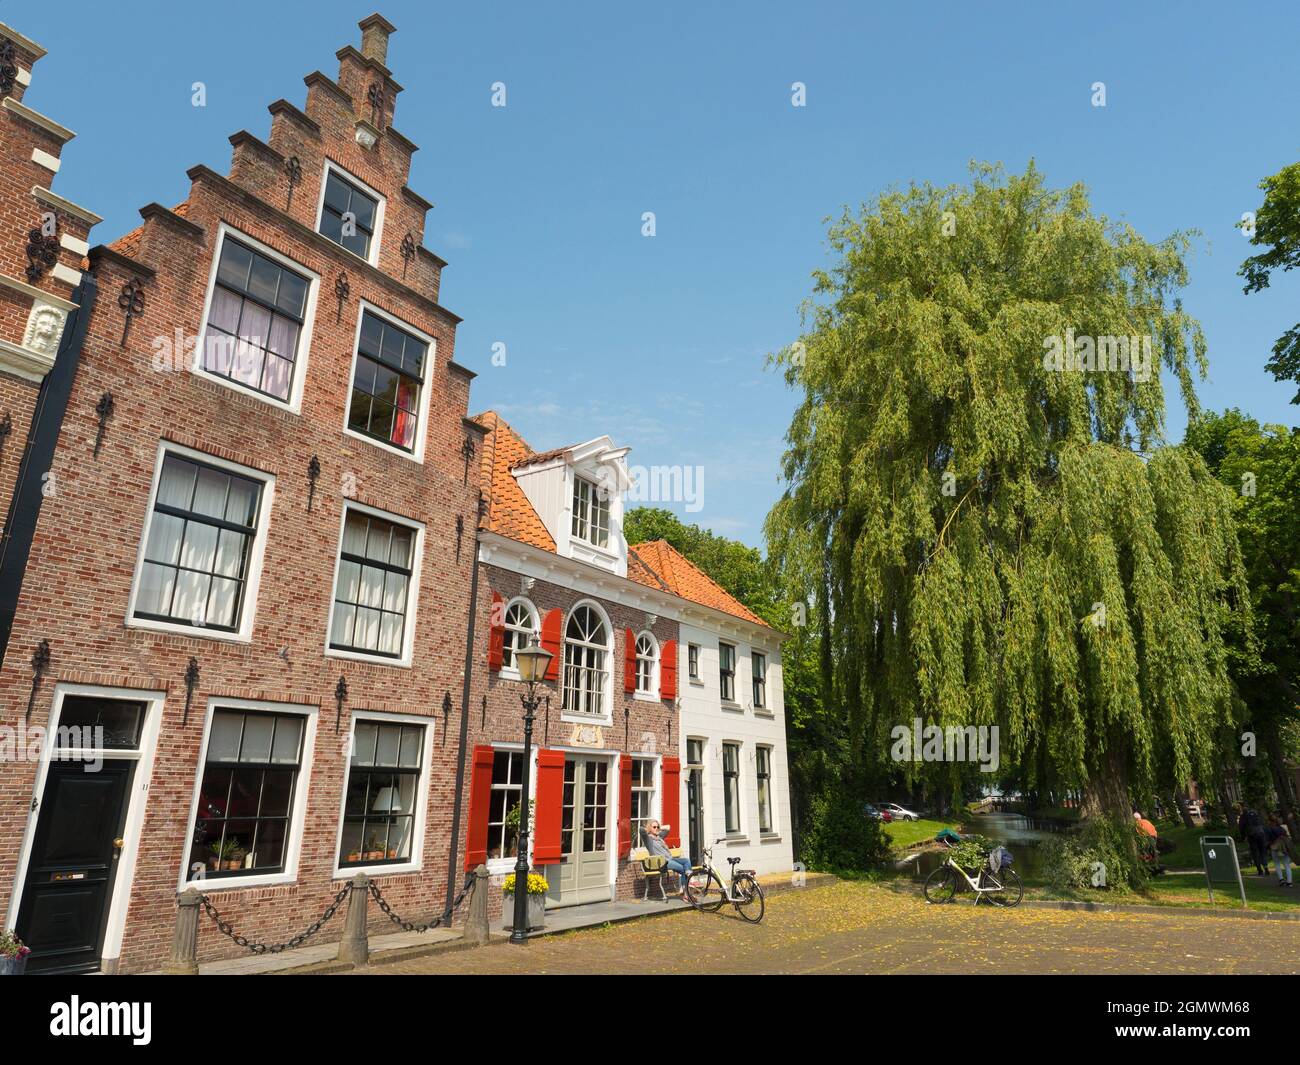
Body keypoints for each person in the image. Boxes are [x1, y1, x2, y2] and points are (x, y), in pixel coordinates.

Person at [643, 819, 691, 895]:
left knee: (686, 861)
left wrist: (659, 828)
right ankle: (686, 892)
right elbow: (641, 830)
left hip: (670, 859)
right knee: (683, 869)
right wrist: (648, 829)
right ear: (650, 828)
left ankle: (688, 879)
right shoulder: (648, 839)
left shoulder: (659, 837)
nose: (656, 828)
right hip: (663, 862)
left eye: (657, 827)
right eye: (654, 827)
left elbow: (668, 827)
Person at [1238, 805, 1271, 876]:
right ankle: (1266, 868)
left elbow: (1241, 827)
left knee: (1255, 852)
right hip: (1261, 834)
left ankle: (1259, 870)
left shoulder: (1244, 816)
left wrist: (1243, 837)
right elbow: (1262, 823)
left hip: (1251, 835)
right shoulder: (1255, 813)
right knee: (1263, 851)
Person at [1266, 814, 1294, 888]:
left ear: (1269, 821)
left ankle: (1281, 880)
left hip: (1274, 847)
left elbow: (1267, 840)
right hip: (1285, 847)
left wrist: (1268, 847)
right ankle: (1289, 881)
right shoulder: (1282, 828)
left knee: (1277, 863)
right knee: (1287, 864)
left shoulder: (1269, 829)